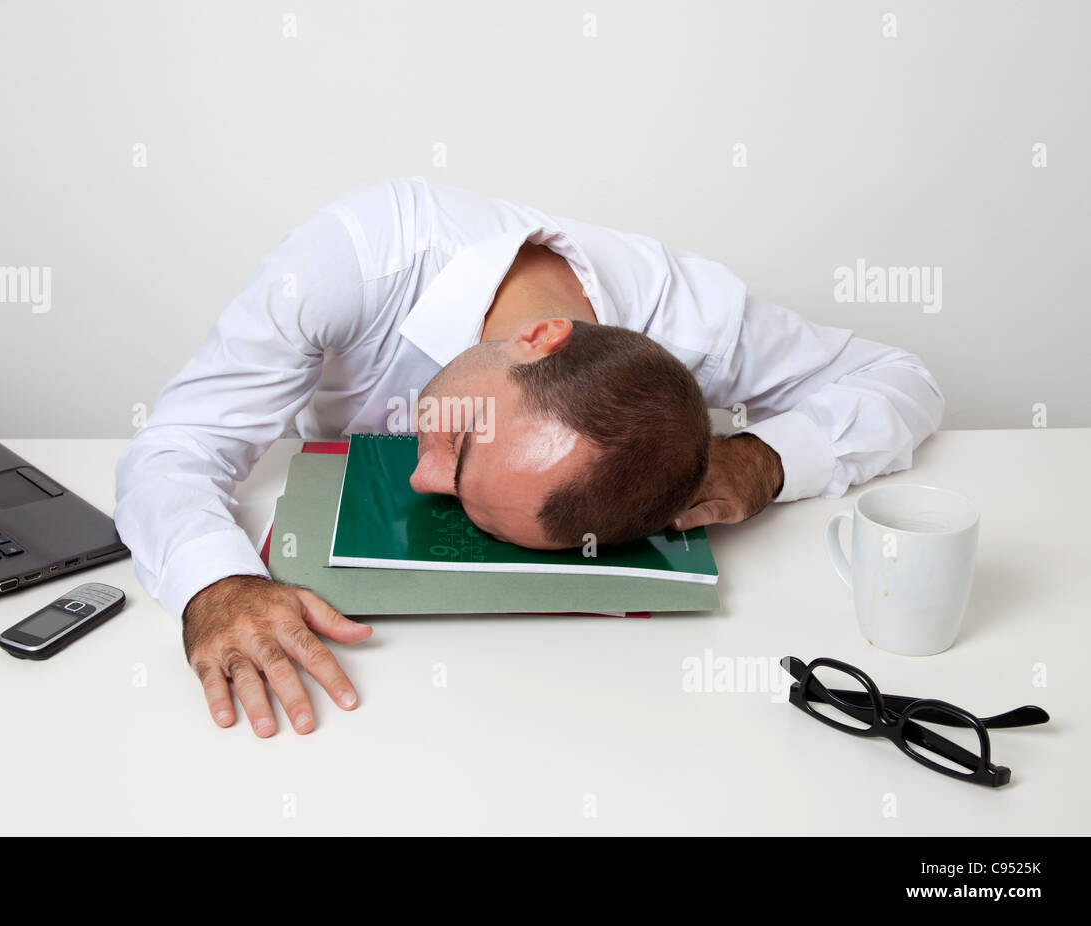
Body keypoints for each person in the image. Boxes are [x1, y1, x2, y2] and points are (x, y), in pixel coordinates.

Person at [113, 177, 945, 737]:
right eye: (458, 440)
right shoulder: (357, 259)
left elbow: (901, 380)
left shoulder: (710, 322)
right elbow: (181, 441)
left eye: (468, 495)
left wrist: (764, 459)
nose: (420, 477)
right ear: (539, 339)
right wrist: (217, 585)